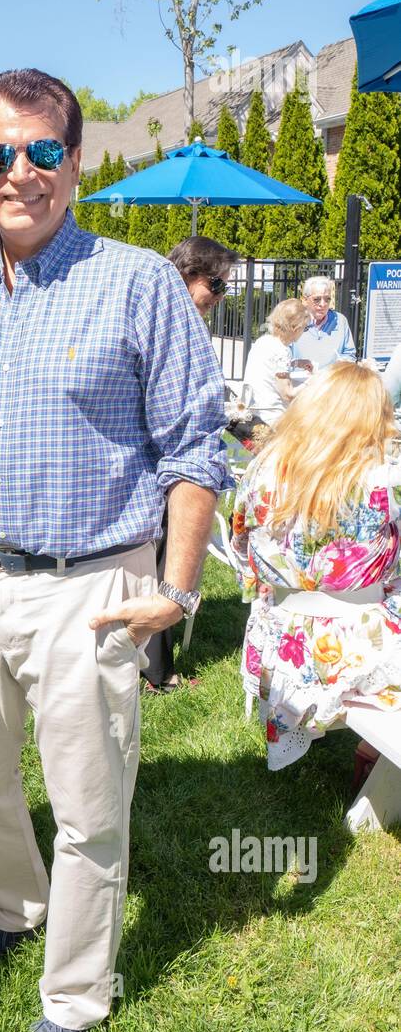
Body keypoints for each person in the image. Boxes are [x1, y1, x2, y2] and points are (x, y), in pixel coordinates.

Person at [0, 69, 229, 1032]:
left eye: (41, 151)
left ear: (76, 161)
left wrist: (174, 593)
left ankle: (71, 1000)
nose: (21, 173)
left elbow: (194, 450)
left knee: (89, 810)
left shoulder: (138, 283)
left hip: (90, 587)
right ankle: (13, 910)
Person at [231, 362, 401, 779]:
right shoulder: (386, 477)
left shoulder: (262, 471)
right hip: (365, 644)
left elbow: (242, 552)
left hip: (280, 639)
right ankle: (370, 752)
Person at [143, 235, 239, 692]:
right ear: (186, 275)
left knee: (161, 566)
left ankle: (154, 666)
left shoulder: (187, 322)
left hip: (169, 466)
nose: (219, 297)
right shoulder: (166, 321)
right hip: (156, 470)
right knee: (160, 569)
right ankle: (157, 673)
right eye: (216, 284)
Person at [242, 298, 310, 427]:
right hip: (271, 417)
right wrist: (310, 382)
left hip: (252, 410)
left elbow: (270, 366)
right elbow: (288, 394)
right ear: (296, 328)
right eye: (305, 328)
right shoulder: (282, 351)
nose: (303, 332)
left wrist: (296, 363)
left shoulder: (264, 341)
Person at [290, 275, 356, 371]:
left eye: (327, 299)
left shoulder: (340, 321)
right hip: (301, 382)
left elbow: (350, 354)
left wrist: (340, 366)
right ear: (305, 300)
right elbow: (282, 358)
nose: (323, 304)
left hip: (331, 381)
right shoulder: (294, 321)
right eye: (317, 299)